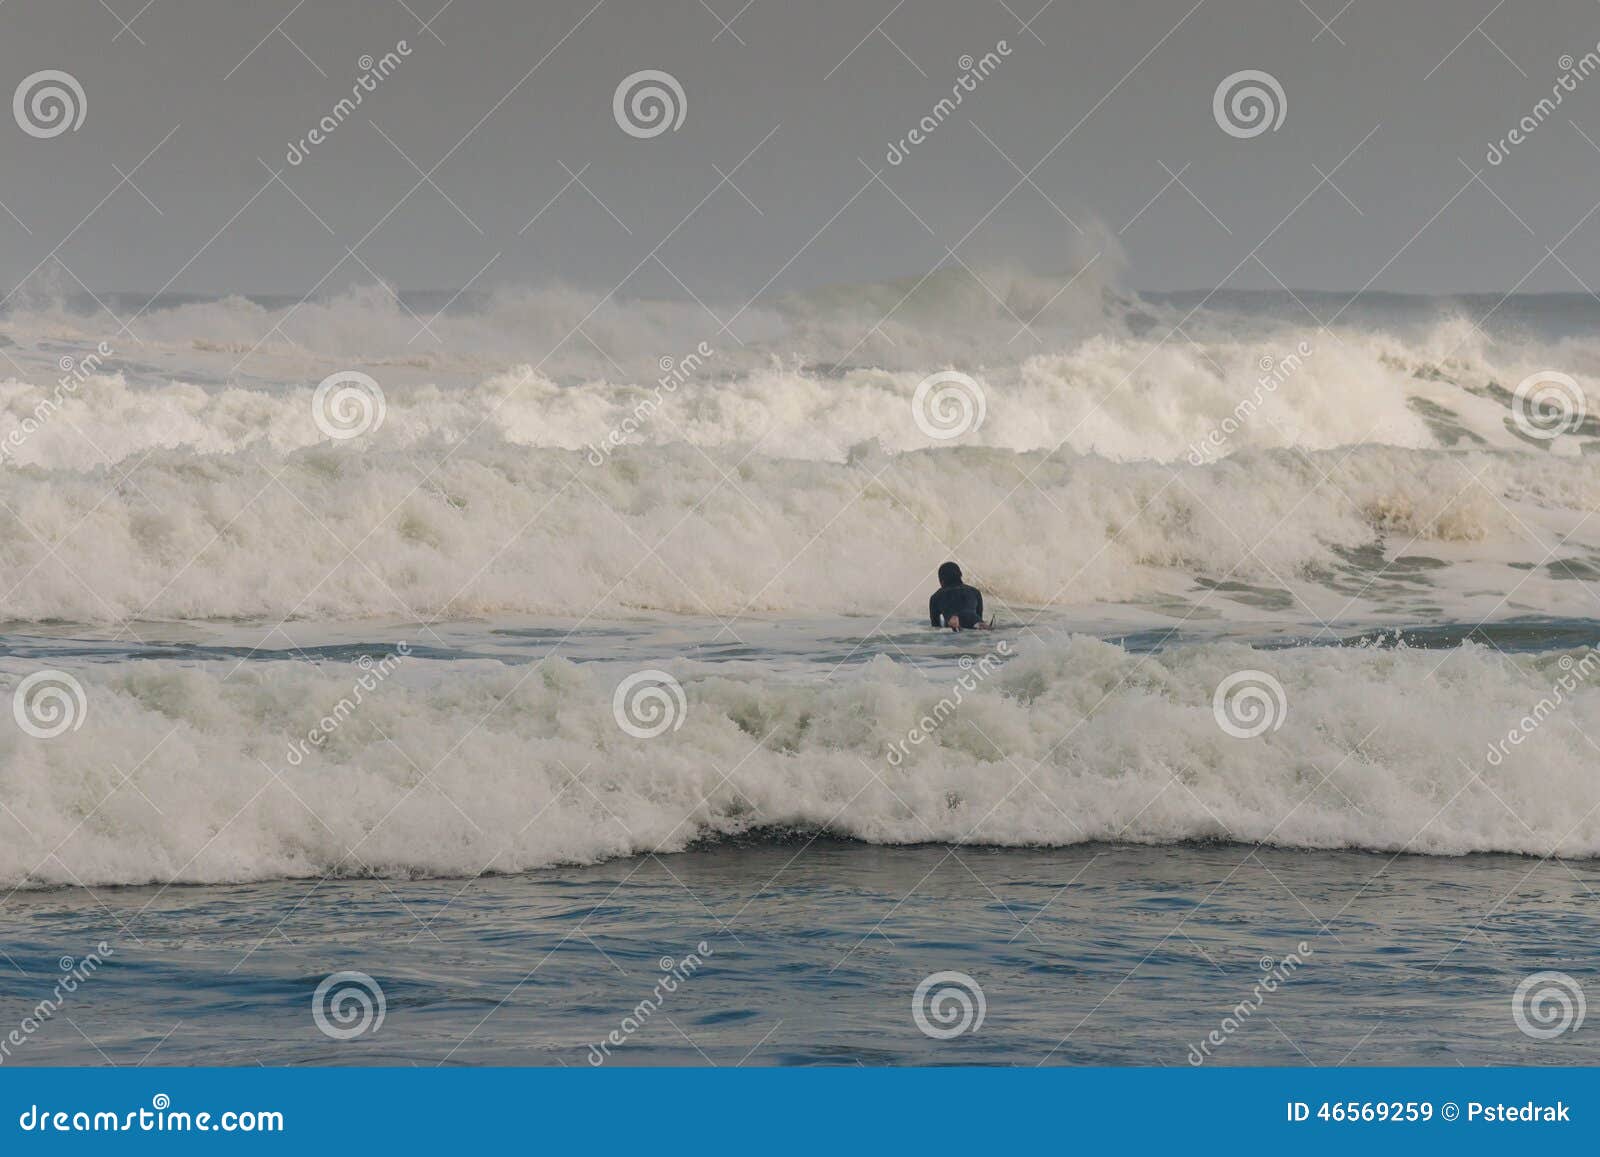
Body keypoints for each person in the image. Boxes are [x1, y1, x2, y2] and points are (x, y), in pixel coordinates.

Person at [929, 561, 987, 631]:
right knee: (980, 624)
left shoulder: (936, 597)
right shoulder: (975, 592)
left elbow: (935, 627)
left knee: (951, 623)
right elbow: (979, 615)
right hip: (974, 619)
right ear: (960, 575)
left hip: (953, 621)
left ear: (941, 580)